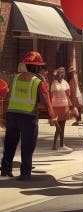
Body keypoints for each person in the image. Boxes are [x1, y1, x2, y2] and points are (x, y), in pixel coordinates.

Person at [1, 52, 57, 180]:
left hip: (12, 115)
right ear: (37, 68)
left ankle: (5, 170)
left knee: (10, 143)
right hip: (28, 117)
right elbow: (45, 102)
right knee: (27, 146)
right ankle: (25, 173)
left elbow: (7, 98)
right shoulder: (37, 82)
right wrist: (51, 116)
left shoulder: (14, 78)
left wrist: (4, 116)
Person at [49, 67, 72, 151]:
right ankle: (54, 144)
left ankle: (61, 145)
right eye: (60, 73)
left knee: (63, 126)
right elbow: (51, 94)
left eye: (63, 73)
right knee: (58, 127)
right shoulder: (53, 83)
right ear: (57, 74)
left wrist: (69, 104)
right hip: (55, 107)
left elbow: (68, 94)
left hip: (64, 106)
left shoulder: (65, 83)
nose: (62, 74)